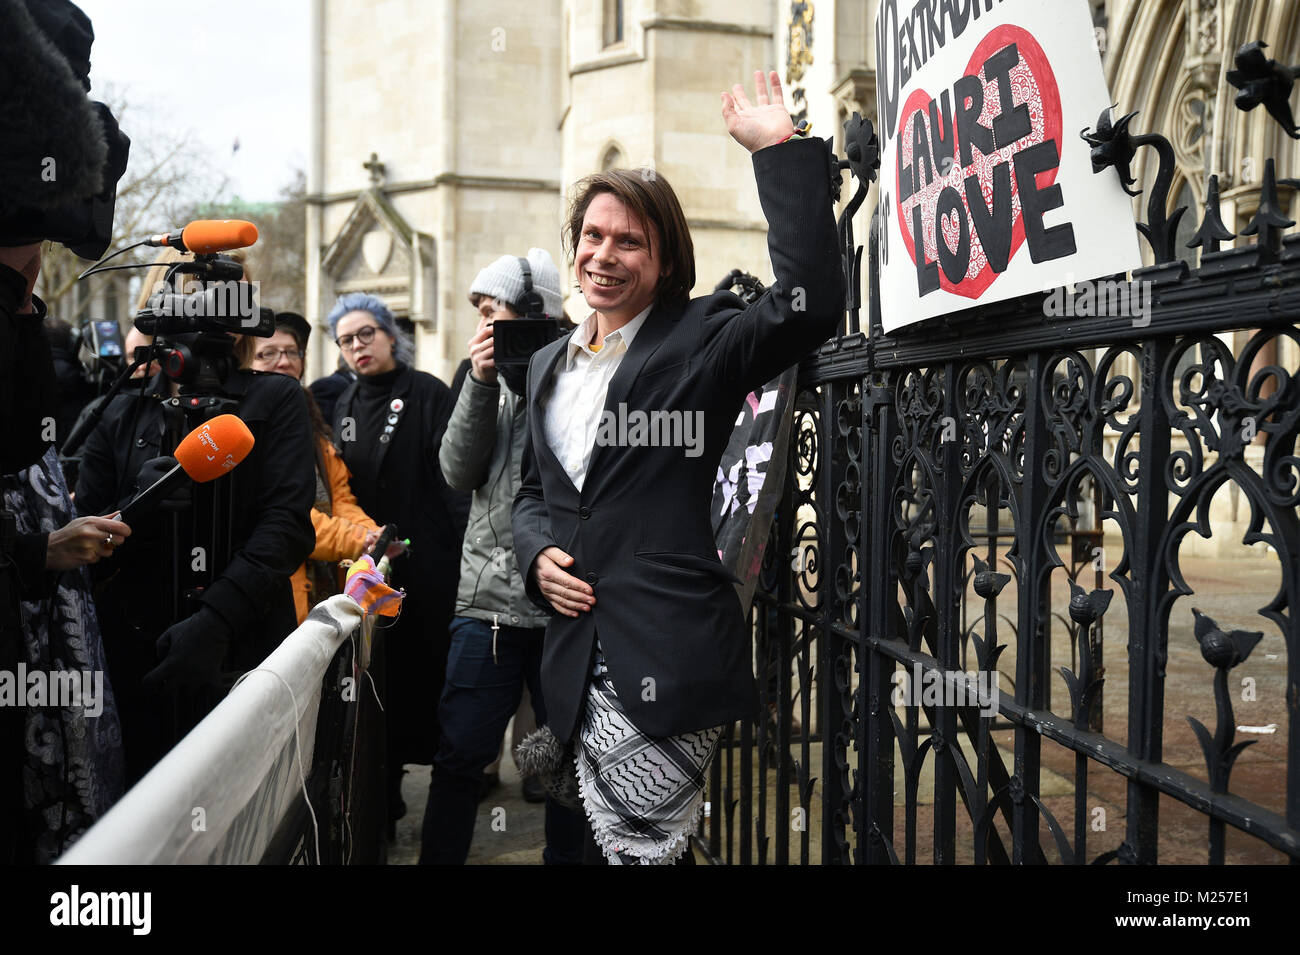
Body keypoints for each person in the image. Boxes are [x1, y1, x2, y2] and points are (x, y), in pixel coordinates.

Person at [511, 71, 843, 864]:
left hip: (665, 659)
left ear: (665, 261)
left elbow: (812, 303)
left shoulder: (703, 336)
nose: (604, 255)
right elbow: (533, 493)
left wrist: (781, 153)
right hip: (566, 671)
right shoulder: (548, 362)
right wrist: (536, 558)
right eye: (593, 236)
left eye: (630, 241)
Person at [75, 255, 316, 783]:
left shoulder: (276, 398)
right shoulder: (119, 412)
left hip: (242, 651)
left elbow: (287, 525)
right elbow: (81, 548)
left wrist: (216, 621)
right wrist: (138, 504)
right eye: (193, 296)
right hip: (138, 660)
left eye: (228, 300)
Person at [423, 249, 584, 864]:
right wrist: (481, 380)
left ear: (534, 312)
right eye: (481, 315)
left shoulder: (581, 367)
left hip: (564, 604)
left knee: (567, 763)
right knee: (461, 757)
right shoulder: (482, 379)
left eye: (494, 313)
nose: (484, 327)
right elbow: (456, 470)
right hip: (485, 605)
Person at [326, 292, 470, 844]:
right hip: (367, 572)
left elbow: (453, 480)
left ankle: (438, 788)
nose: (358, 346)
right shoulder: (342, 405)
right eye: (346, 340)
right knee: (372, 687)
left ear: (390, 335)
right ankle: (380, 803)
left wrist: (461, 555)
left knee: (422, 679)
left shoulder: (427, 392)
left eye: (366, 334)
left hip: (428, 567)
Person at [239, 311, 380, 623]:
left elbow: (339, 497)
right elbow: (290, 519)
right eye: (268, 353)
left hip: (325, 595)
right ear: (247, 362)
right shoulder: (243, 425)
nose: (285, 361)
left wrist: (372, 534)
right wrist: (358, 539)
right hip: (275, 600)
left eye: (292, 351)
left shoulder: (310, 421)